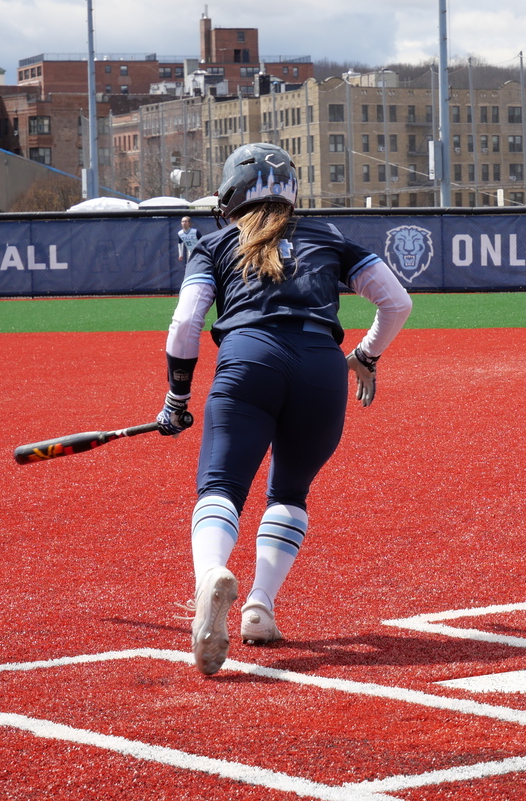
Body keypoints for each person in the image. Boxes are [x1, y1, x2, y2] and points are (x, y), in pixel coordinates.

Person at [157, 143, 412, 677]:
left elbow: (185, 326)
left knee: (221, 487)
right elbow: (397, 302)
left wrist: (177, 399)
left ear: (229, 193)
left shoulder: (214, 243)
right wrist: (365, 355)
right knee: (290, 493)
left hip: (249, 360)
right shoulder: (329, 237)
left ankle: (210, 576)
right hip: (322, 369)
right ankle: (258, 608)